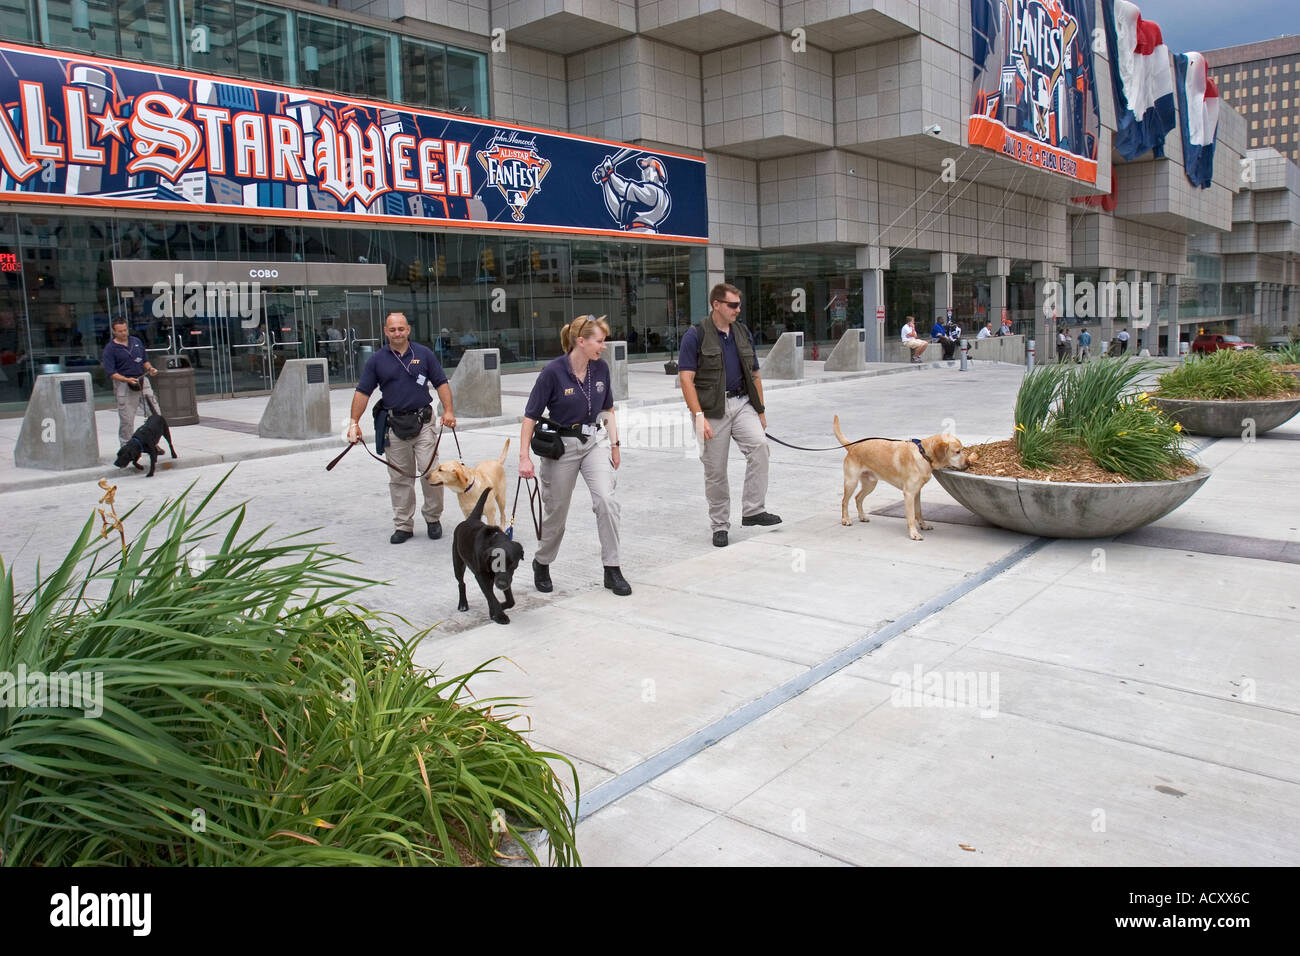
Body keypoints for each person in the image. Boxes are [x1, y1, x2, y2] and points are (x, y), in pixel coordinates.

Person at [519, 314, 629, 596]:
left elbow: (608, 410)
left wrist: (615, 445)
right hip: (562, 448)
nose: (603, 346)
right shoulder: (553, 372)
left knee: (606, 500)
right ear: (581, 341)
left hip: (593, 443)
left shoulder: (601, 368)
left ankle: (612, 568)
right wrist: (524, 457)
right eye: (599, 341)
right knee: (556, 512)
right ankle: (542, 562)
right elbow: (530, 417)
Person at [678, 283, 781, 548]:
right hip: (712, 408)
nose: (738, 309)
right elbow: (686, 379)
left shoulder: (742, 332)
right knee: (715, 470)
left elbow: (755, 373)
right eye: (733, 305)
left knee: (759, 446)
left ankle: (753, 510)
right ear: (717, 305)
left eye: (739, 305)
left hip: (743, 401)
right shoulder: (696, 335)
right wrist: (698, 415)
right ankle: (720, 525)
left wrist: (760, 410)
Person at [347, 313, 455, 544]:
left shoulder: (424, 354)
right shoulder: (377, 360)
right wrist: (354, 423)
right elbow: (363, 391)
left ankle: (433, 518)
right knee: (399, 478)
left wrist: (448, 411)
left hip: (424, 422)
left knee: (430, 473)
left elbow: (441, 382)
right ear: (386, 332)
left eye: (401, 329)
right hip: (394, 427)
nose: (397, 333)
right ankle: (403, 525)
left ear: (408, 330)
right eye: (392, 329)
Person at [102, 317, 158, 444]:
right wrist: (126, 379)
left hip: (142, 380)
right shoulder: (110, 349)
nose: (123, 333)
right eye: (120, 331)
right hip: (124, 384)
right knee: (127, 419)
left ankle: (152, 443)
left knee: (155, 414)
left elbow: (144, 360)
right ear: (114, 332)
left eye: (125, 330)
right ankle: (126, 446)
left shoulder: (136, 341)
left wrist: (150, 368)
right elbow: (111, 372)